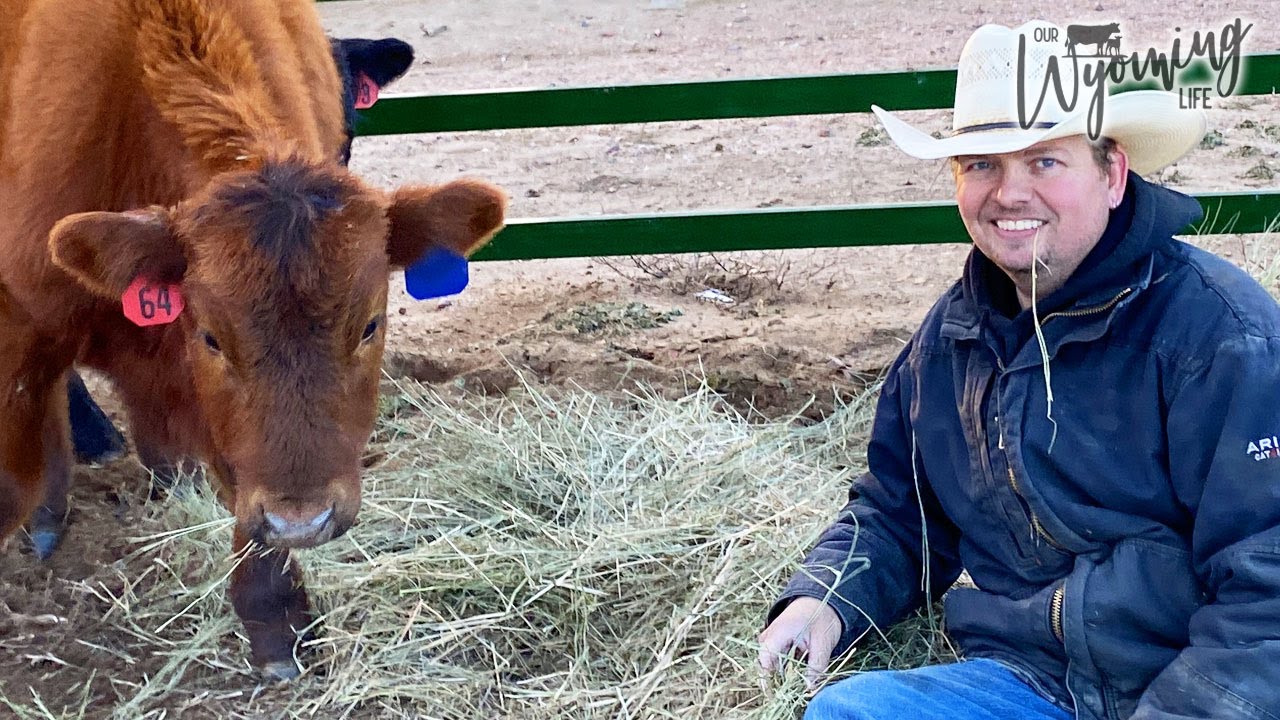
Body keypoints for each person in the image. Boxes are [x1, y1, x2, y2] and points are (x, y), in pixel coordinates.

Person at [758, 20, 1280, 720]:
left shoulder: (1218, 338)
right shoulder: (952, 341)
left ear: (1113, 174)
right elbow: (901, 506)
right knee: (848, 712)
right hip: (1028, 682)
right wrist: (827, 598)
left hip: (1184, 683)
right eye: (982, 165)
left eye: (1044, 161)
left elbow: (1267, 585)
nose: (1009, 194)